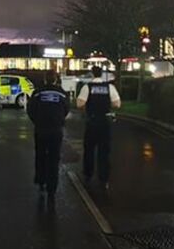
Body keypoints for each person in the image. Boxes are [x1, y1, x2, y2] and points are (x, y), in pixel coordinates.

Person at [27, 70, 69, 198]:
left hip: (41, 129)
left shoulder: (37, 93)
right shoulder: (62, 94)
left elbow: (30, 109)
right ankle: (52, 186)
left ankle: (41, 181)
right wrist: (59, 120)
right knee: (54, 158)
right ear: (56, 80)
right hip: (56, 130)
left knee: (40, 155)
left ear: (45, 79)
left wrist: (37, 121)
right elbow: (66, 109)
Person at [76, 66, 121, 189]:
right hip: (105, 122)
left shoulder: (87, 87)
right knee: (104, 152)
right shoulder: (109, 87)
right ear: (101, 74)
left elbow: (79, 103)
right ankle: (104, 177)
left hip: (92, 122)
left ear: (92, 74)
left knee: (89, 149)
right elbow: (117, 104)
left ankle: (88, 174)